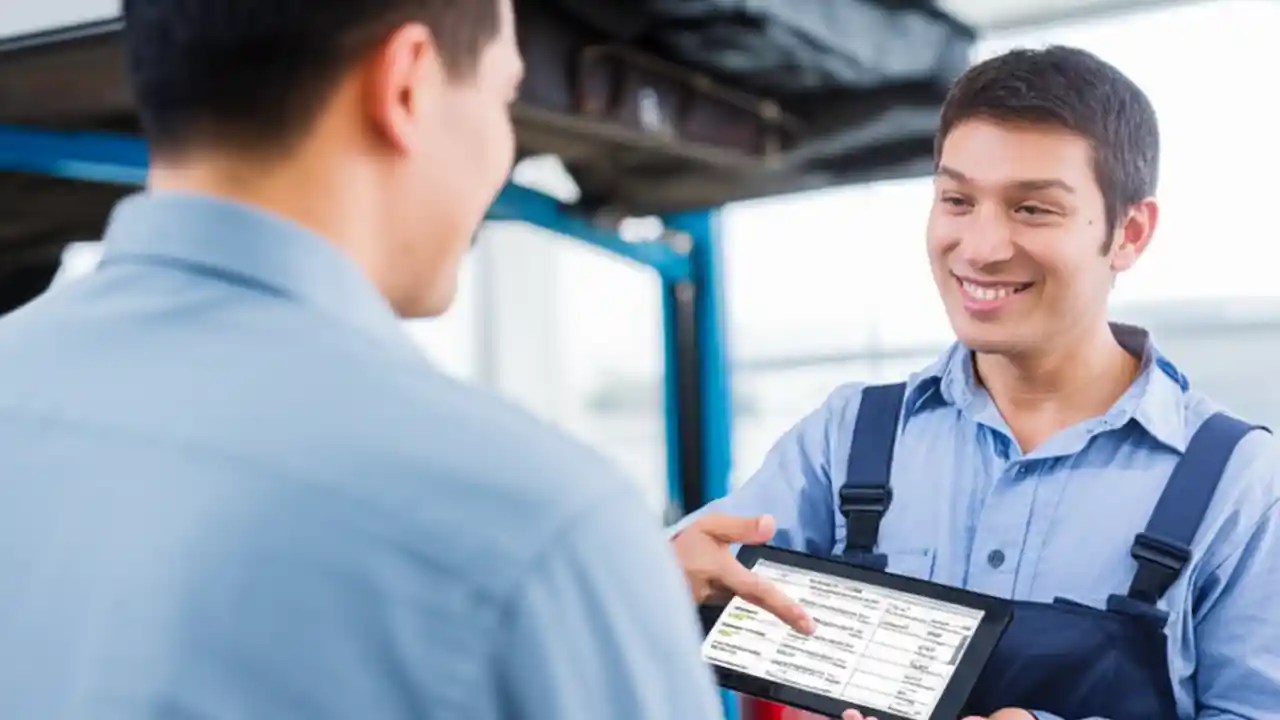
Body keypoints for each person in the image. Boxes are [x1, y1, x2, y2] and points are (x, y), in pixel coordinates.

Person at [0, 1, 722, 718]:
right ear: (408, 84)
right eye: (504, 98)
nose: (505, 150)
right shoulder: (541, 527)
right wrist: (594, 603)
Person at [672, 46, 1280, 720]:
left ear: (1129, 233)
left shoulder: (1240, 484)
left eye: (1033, 209)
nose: (982, 247)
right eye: (957, 200)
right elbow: (695, 577)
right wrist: (672, 574)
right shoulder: (847, 439)